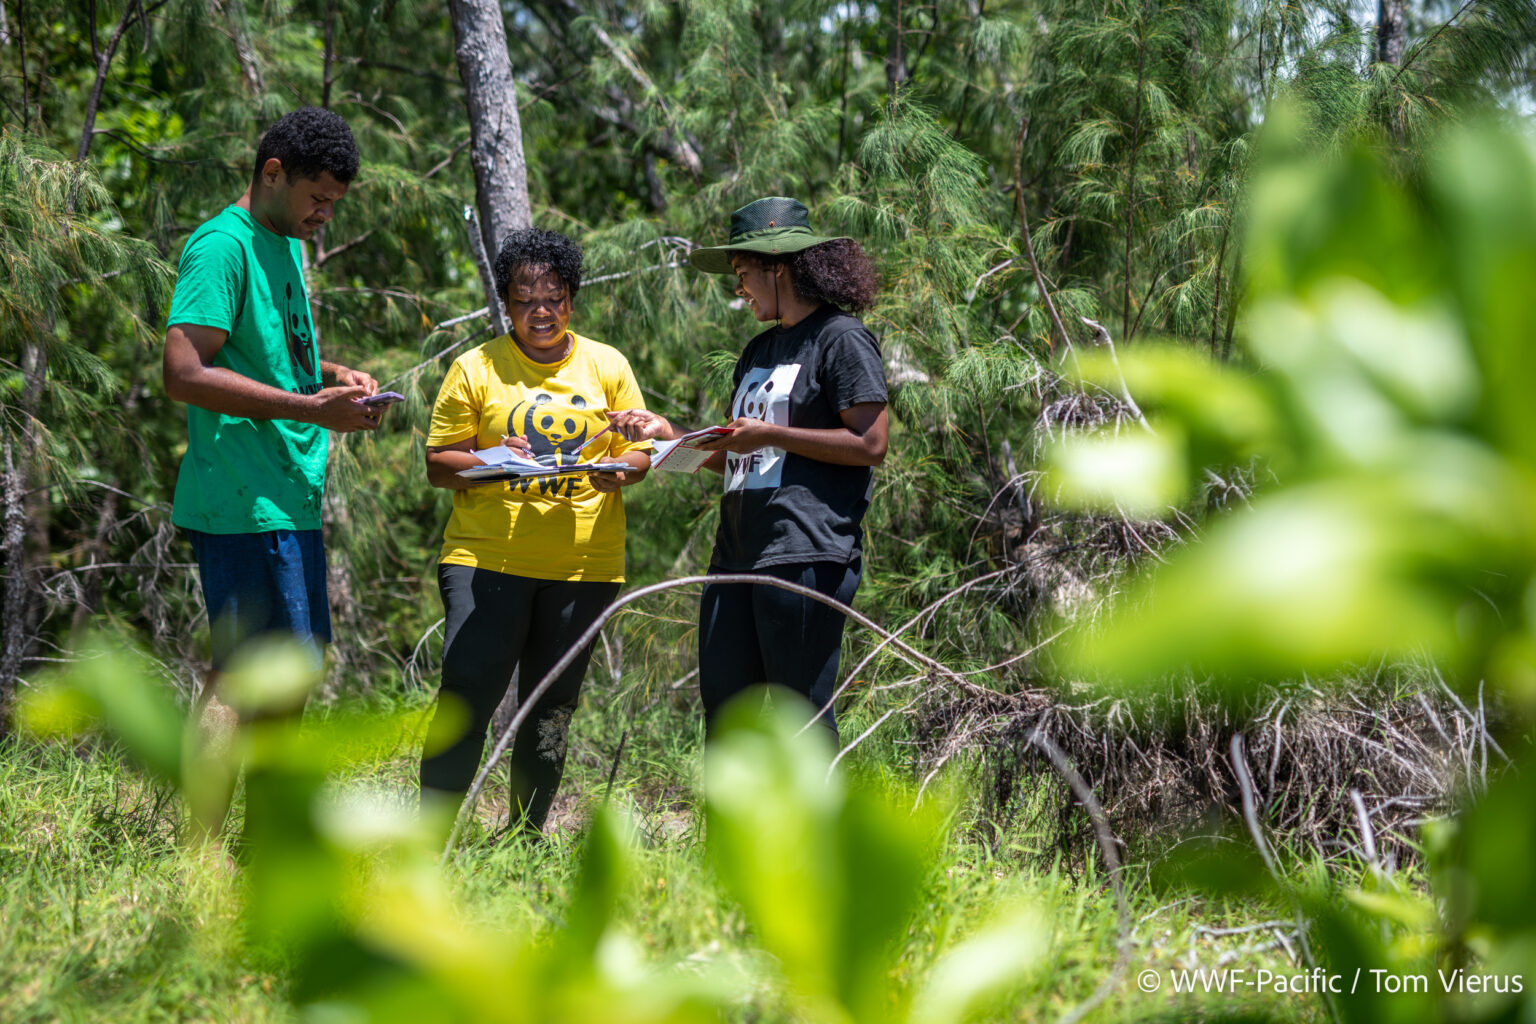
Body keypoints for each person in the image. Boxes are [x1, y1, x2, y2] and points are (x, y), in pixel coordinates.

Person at [608, 196, 888, 743]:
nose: (739, 289)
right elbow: (740, 453)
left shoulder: (841, 338)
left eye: (742, 274)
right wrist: (668, 435)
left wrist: (773, 434)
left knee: (800, 719)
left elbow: (870, 443)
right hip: (736, 553)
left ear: (777, 267)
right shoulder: (758, 351)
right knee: (726, 717)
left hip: (804, 551)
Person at [420, 227, 652, 833]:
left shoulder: (608, 364)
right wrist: (496, 458)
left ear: (572, 298)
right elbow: (439, 465)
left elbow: (640, 452)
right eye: (524, 300)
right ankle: (430, 841)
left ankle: (525, 840)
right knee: (466, 698)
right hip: (485, 560)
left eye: (554, 298)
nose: (540, 312)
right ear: (505, 303)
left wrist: (620, 472)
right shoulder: (476, 367)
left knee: (552, 708)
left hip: (584, 566)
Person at [163, 106, 380, 707]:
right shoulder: (222, 247)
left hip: (289, 494)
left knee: (290, 674)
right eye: (318, 198)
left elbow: (266, 357)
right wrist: (312, 411)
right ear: (274, 173)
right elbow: (184, 373)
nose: (326, 214)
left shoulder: (282, 244)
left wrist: (334, 375)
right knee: (242, 675)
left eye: (335, 202)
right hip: (243, 497)